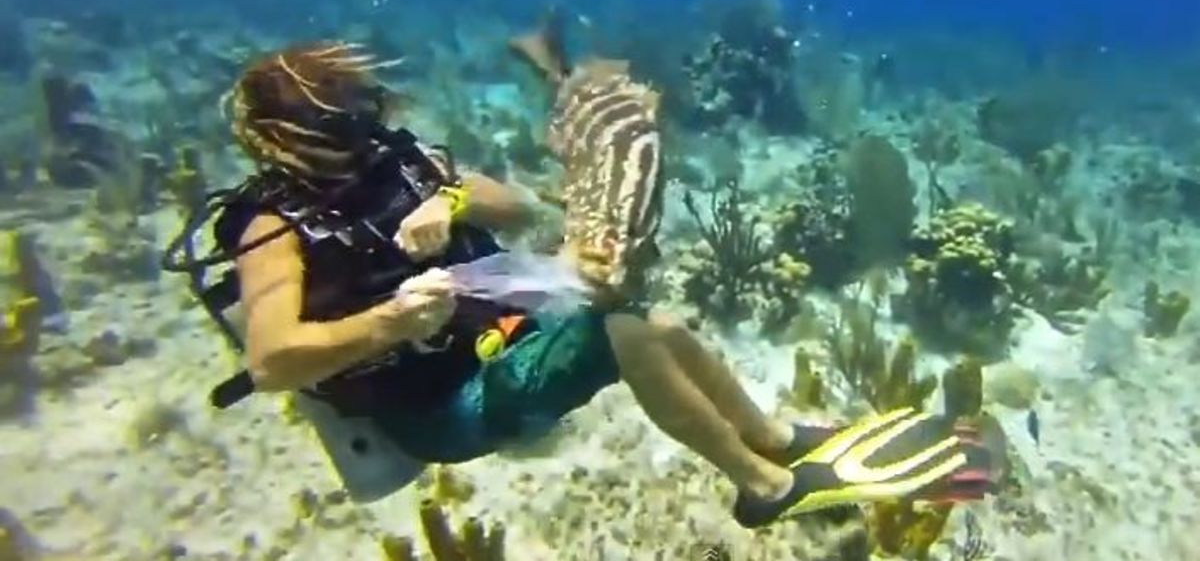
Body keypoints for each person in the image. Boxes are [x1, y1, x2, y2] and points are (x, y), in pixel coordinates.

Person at [166, 41, 1002, 529]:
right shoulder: (271, 226)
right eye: (351, 112)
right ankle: (765, 488)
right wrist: (391, 321)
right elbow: (274, 360)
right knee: (624, 330)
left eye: (369, 105)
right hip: (437, 408)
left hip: (498, 341)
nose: (372, 122)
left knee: (654, 320)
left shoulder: (398, 158)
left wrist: (446, 197)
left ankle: (776, 436)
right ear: (303, 131)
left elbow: (517, 200)